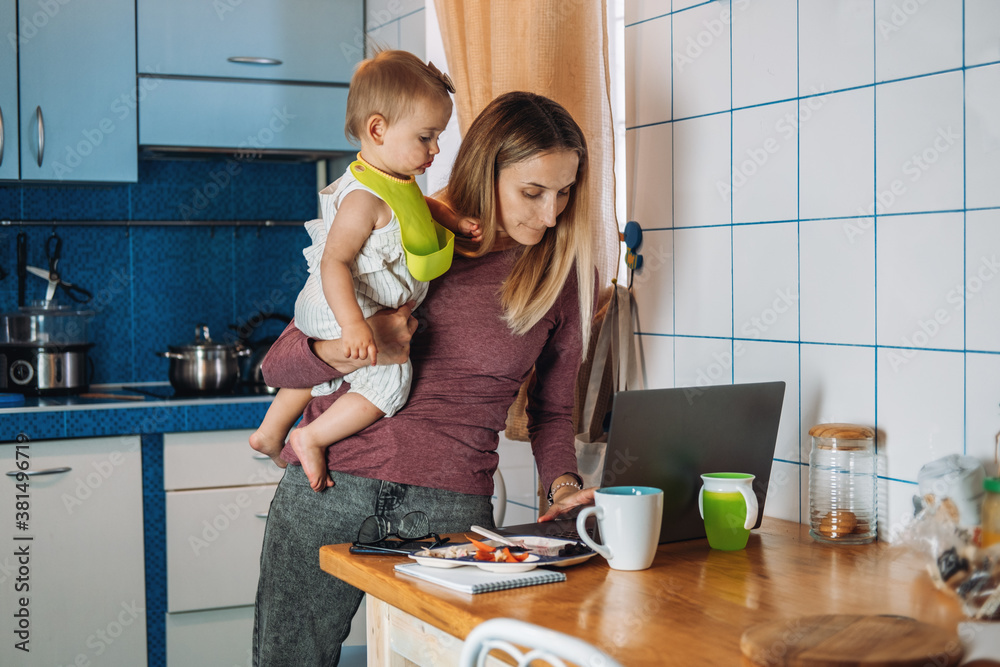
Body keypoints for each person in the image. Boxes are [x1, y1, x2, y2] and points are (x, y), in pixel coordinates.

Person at [253, 91, 599, 667]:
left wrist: (563, 488)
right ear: (486, 173)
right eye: (532, 192)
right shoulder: (403, 226)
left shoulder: (562, 274)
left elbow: (553, 411)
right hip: (328, 490)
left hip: (450, 514)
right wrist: (356, 347)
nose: (551, 214)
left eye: (564, 193)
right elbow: (280, 366)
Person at [249, 50, 479, 492]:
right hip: (343, 300)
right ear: (377, 129)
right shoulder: (362, 200)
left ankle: (270, 431)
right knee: (389, 378)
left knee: (329, 369)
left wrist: (452, 220)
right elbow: (335, 260)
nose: (435, 149)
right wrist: (354, 326)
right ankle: (310, 436)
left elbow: (417, 205)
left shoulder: (392, 179)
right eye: (427, 137)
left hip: (340, 304)